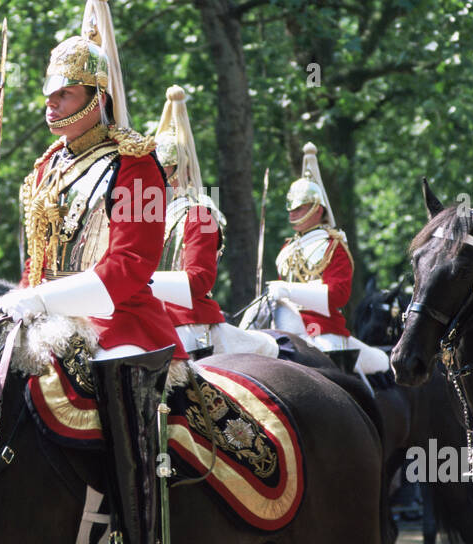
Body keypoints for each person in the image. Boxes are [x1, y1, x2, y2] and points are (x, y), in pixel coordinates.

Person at [0, 0, 184, 544]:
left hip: (122, 325)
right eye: (47, 92)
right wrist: (18, 302)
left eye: (63, 92)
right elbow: (38, 260)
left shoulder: (134, 162)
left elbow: (127, 268)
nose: (50, 103)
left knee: (119, 385)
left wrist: (40, 301)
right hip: (49, 319)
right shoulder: (44, 168)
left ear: (96, 96)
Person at [151, 84, 277, 359]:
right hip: (146, 313)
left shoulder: (199, 215)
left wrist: (141, 281)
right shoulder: (143, 215)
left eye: (157, 169)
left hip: (189, 323)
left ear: (177, 170)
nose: (149, 175)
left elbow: (199, 280)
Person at [267, 142, 389, 377]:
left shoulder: (333, 246)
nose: (292, 213)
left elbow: (338, 295)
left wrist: (289, 290)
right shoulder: (288, 248)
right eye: (291, 208)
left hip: (323, 331)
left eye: (300, 208)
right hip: (285, 328)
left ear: (317, 209)